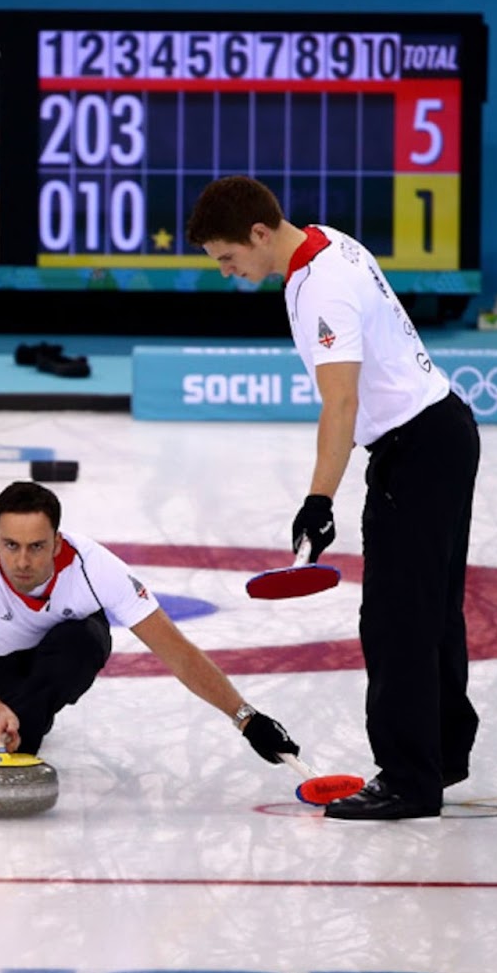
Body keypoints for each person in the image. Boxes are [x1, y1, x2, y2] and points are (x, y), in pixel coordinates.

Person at [186, 176, 481, 821]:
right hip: (443, 432)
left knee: (395, 620)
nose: (230, 273)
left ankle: (408, 779)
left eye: (229, 258)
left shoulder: (320, 286)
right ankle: (441, 752)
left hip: (419, 449)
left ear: (260, 233)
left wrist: (318, 501)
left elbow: (341, 402)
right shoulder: (327, 241)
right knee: (431, 610)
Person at [0, 481, 302, 768]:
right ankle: (19, 719)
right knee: (19, 738)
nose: (23, 561)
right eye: (11, 545)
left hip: (62, 652)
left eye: (37, 546)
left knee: (83, 640)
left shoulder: (95, 566)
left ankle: (28, 717)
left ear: (57, 543)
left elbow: (175, 651)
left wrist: (246, 718)